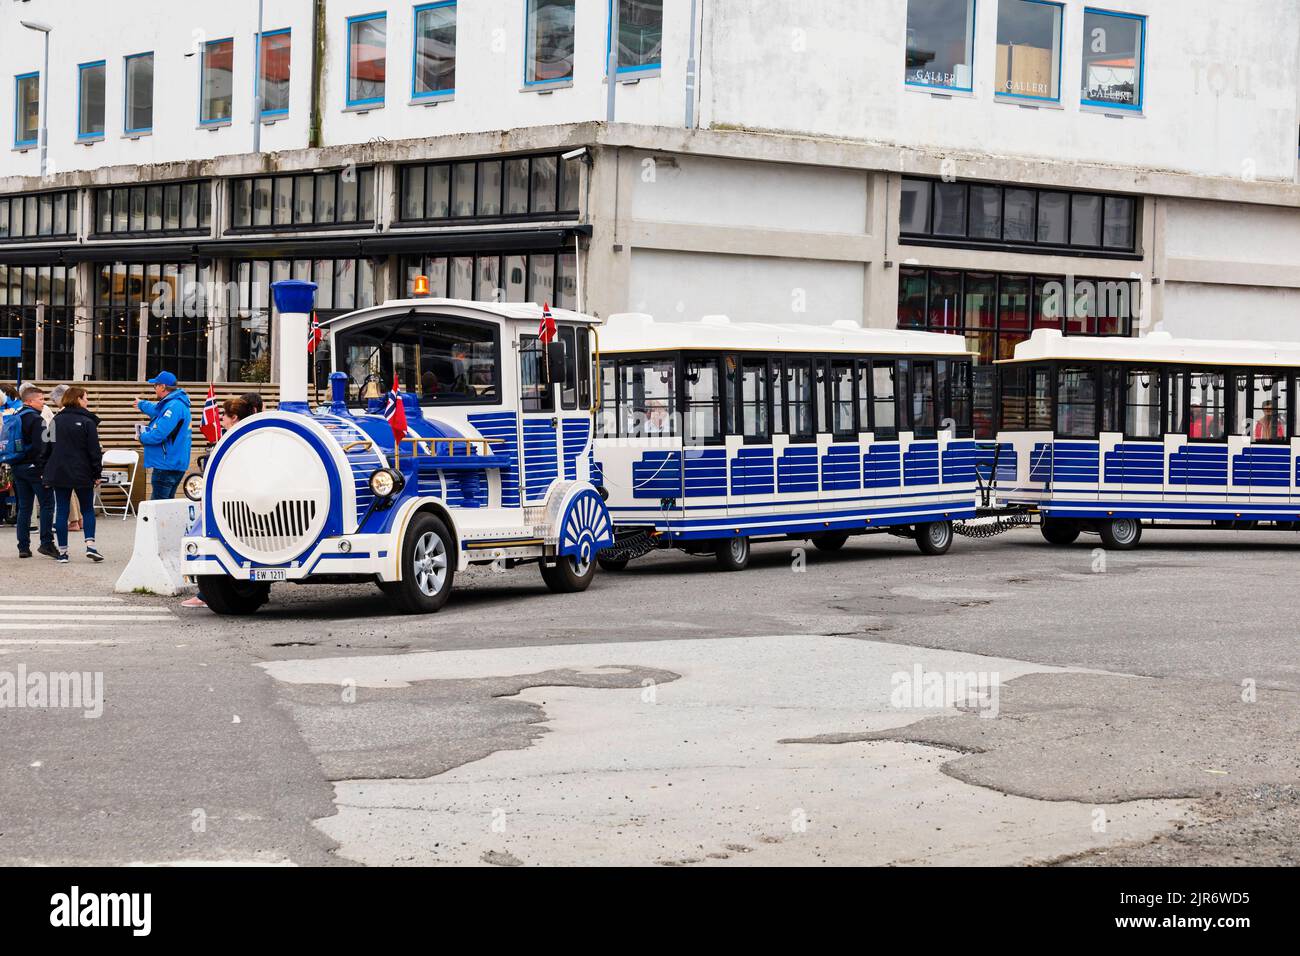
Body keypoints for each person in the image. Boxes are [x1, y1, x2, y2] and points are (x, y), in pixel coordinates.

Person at [181, 396, 255, 610]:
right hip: (238, 498)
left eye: (224, 415)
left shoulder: (233, 440)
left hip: (229, 500)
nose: (221, 418)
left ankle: (206, 592)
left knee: (203, 536)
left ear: (234, 417)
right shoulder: (249, 436)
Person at [42, 386, 104, 564]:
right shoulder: (88, 422)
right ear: (78, 399)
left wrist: (44, 470)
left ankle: (62, 552)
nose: (87, 401)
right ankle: (90, 545)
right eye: (85, 398)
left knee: (61, 511)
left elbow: (46, 447)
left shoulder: (55, 421)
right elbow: (94, 451)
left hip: (59, 472)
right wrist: (97, 472)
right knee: (87, 509)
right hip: (82, 472)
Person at [10, 384, 57, 559]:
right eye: (41, 399)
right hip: (34, 468)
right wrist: (44, 469)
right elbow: (42, 447)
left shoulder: (16, 415)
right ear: (29, 401)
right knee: (46, 505)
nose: (43, 403)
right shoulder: (37, 420)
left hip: (17, 466)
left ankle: (23, 547)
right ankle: (46, 543)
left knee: (24, 507)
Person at [134, 371, 192, 500]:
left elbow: (158, 434)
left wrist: (141, 437)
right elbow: (157, 410)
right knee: (166, 508)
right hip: (174, 463)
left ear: (163, 387)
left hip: (166, 465)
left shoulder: (173, 406)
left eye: (155, 386)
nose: (154, 389)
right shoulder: (175, 403)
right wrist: (141, 404)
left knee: (158, 510)